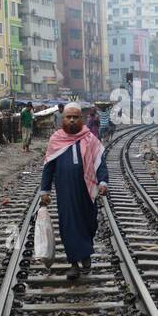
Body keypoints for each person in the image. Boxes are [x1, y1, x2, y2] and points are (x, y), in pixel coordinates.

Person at [40, 103, 108, 280]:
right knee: (68, 225)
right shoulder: (56, 139)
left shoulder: (90, 138)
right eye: (68, 117)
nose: (71, 120)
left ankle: (85, 254)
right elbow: (48, 166)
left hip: (86, 189)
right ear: (63, 119)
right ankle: (74, 264)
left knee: (89, 223)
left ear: (81, 119)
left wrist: (102, 182)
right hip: (65, 191)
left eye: (75, 117)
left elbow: (100, 161)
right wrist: (45, 190)